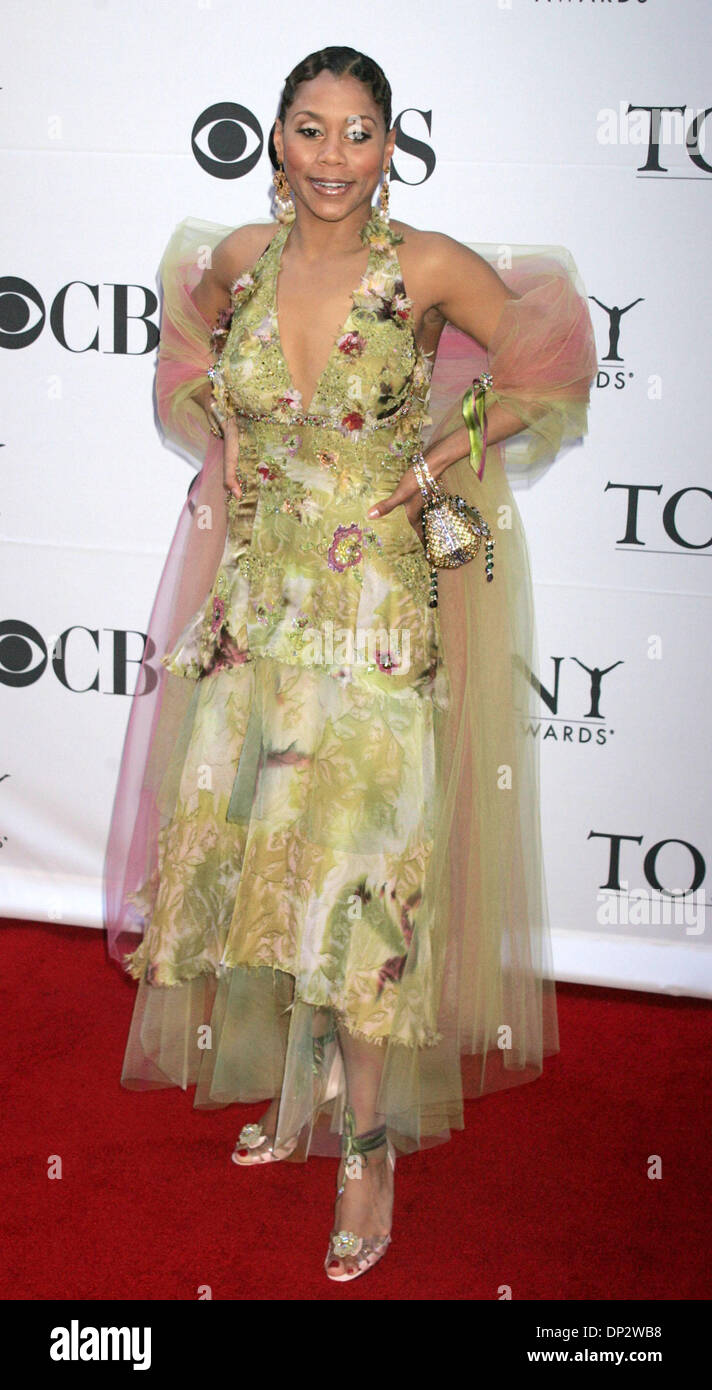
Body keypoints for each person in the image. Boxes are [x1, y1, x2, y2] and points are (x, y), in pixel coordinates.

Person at [103, 46, 597, 1284]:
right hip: (259, 611)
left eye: (359, 131)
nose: (333, 156)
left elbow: (547, 353)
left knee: (361, 882)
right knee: (270, 856)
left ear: (390, 144)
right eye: (310, 129)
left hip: (375, 616)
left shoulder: (421, 267)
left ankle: (366, 1143)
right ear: (274, 139)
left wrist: (426, 467)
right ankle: (303, 1080)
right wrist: (242, 445)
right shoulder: (234, 264)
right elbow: (195, 373)